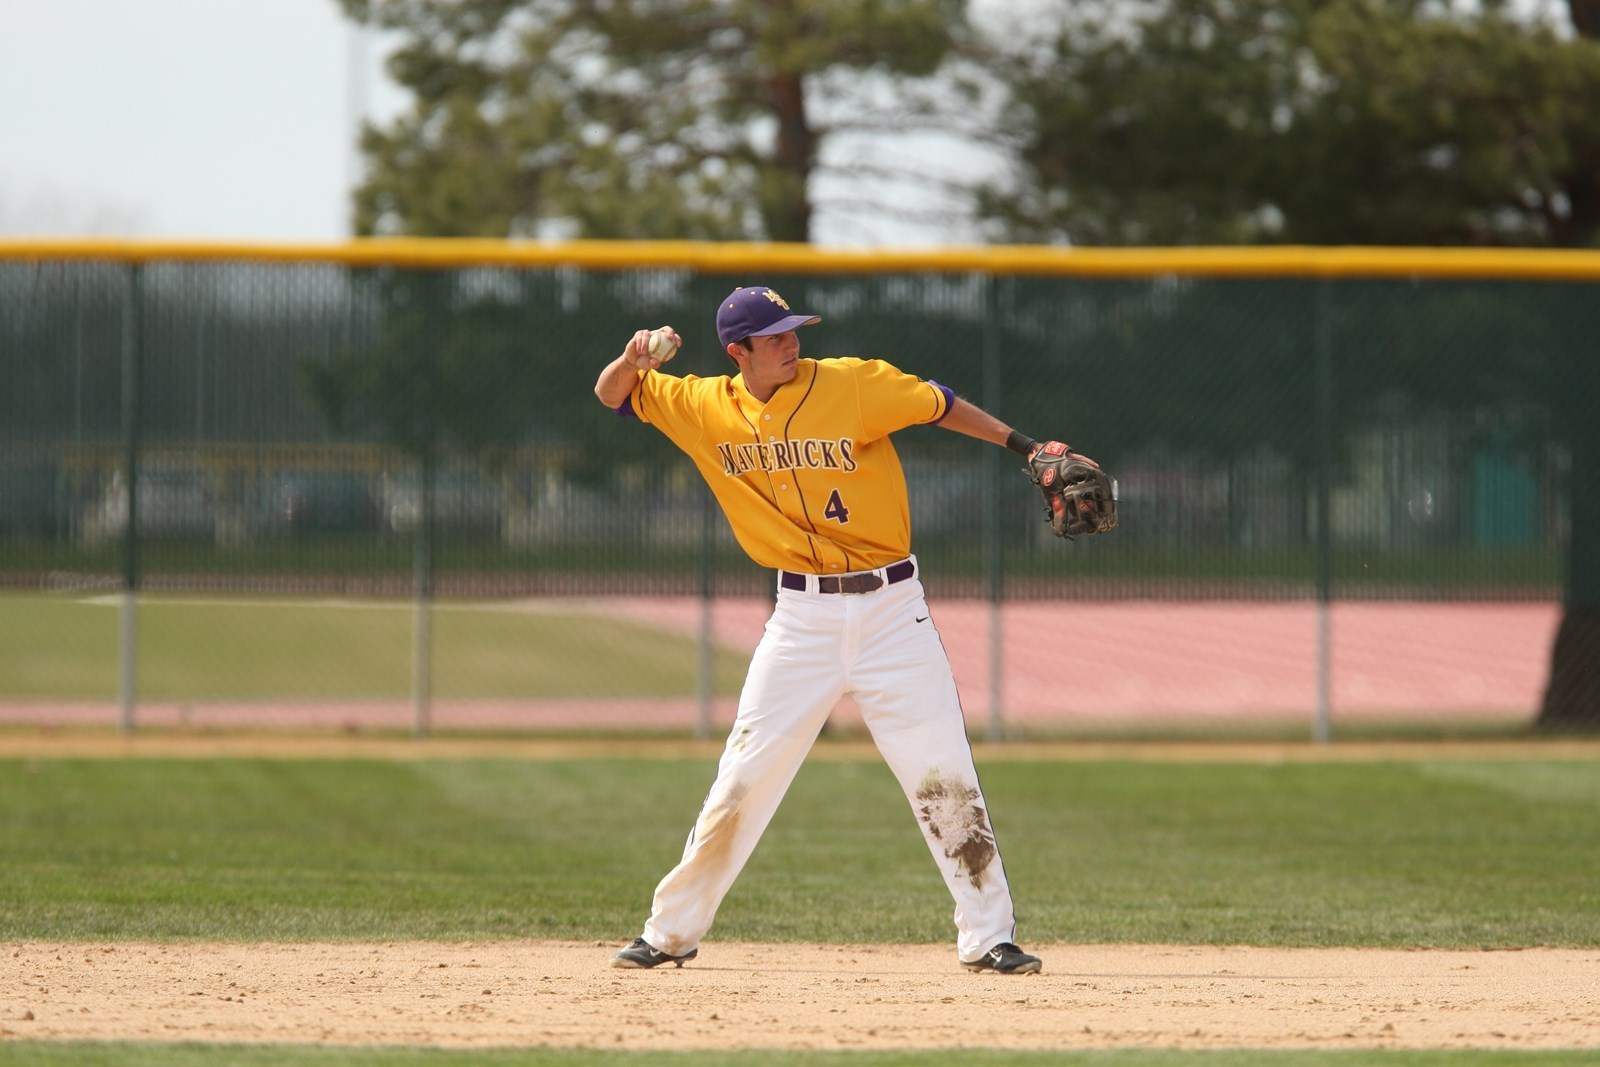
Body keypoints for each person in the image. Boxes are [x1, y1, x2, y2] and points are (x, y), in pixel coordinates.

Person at [593, 284, 1056, 975]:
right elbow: (610, 394)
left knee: (944, 777)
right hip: (800, 620)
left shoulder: (853, 384)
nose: (791, 340)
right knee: (743, 778)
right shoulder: (701, 405)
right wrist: (631, 360)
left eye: (792, 329)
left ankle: (989, 935)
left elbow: (940, 404)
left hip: (893, 612)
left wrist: (1028, 447)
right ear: (737, 352)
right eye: (774, 335)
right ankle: (670, 931)